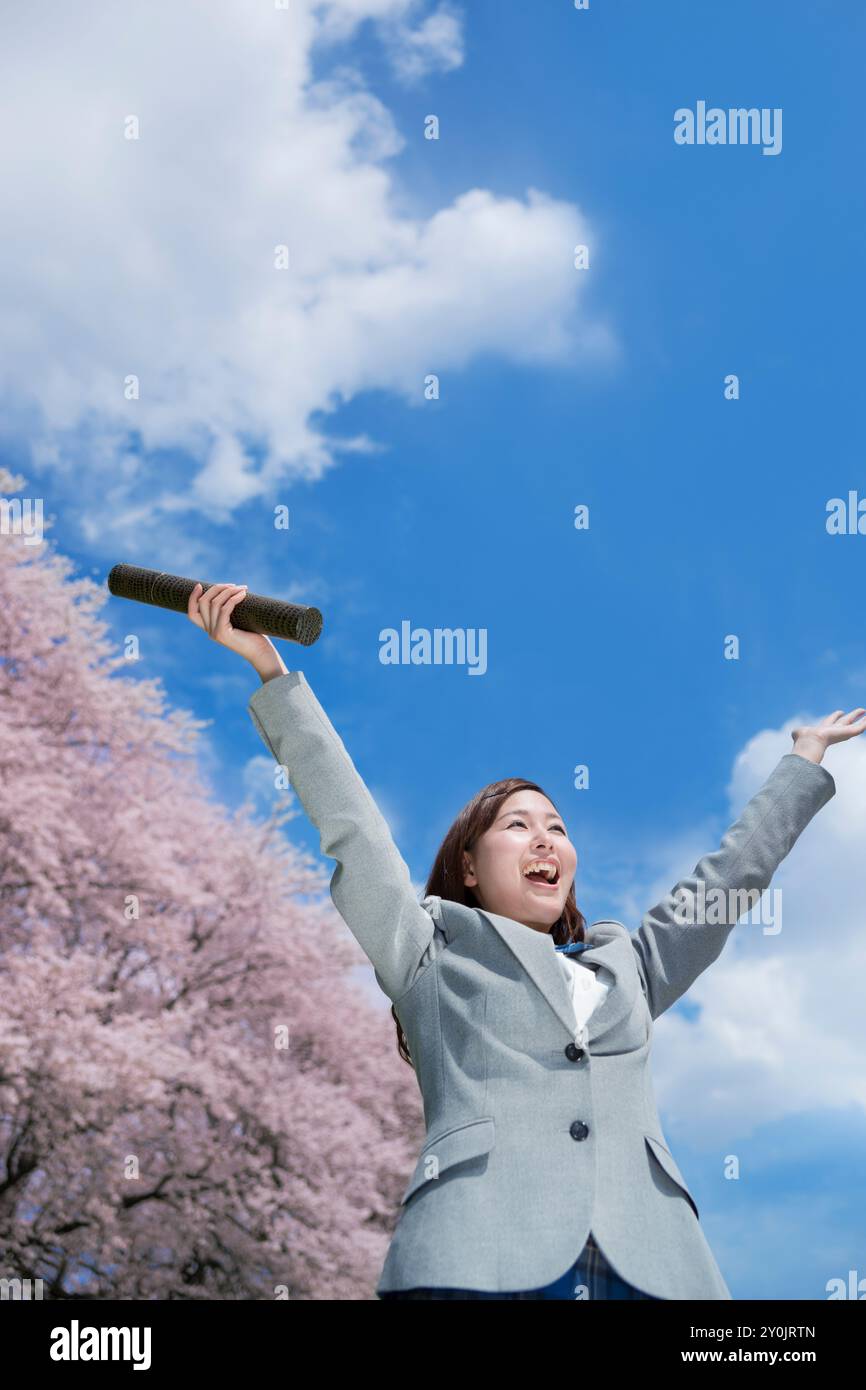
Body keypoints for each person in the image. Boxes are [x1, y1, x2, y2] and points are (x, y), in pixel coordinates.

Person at [188, 581, 863, 1300]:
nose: (545, 838)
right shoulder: (428, 953)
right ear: (470, 867)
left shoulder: (629, 967)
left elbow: (728, 879)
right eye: (518, 824)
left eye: (558, 828)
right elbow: (352, 825)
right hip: (476, 1256)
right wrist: (271, 672)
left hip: (656, 1267)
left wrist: (803, 761)